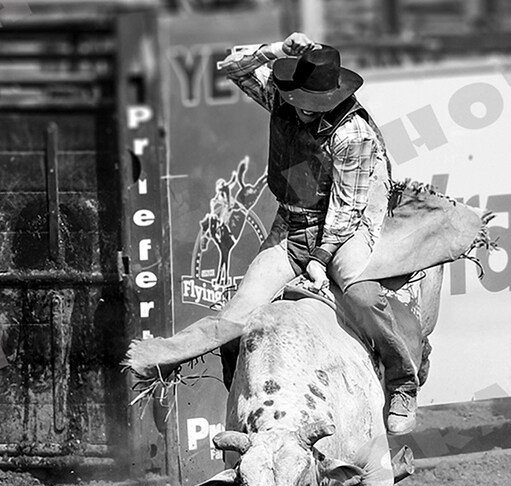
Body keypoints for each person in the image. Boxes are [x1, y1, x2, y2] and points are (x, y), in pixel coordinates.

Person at [128, 32, 424, 434]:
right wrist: (276, 51)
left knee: (363, 296)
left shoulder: (352, 134)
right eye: (297, 99)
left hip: (347, 228)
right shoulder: (281, 96)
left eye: (311, 104)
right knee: (235, 319)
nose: (301, 109)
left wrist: (319, 261)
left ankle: (403, 379)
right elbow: (232, 66)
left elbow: (346, 208)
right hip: (292, 223)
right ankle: (229, 395)